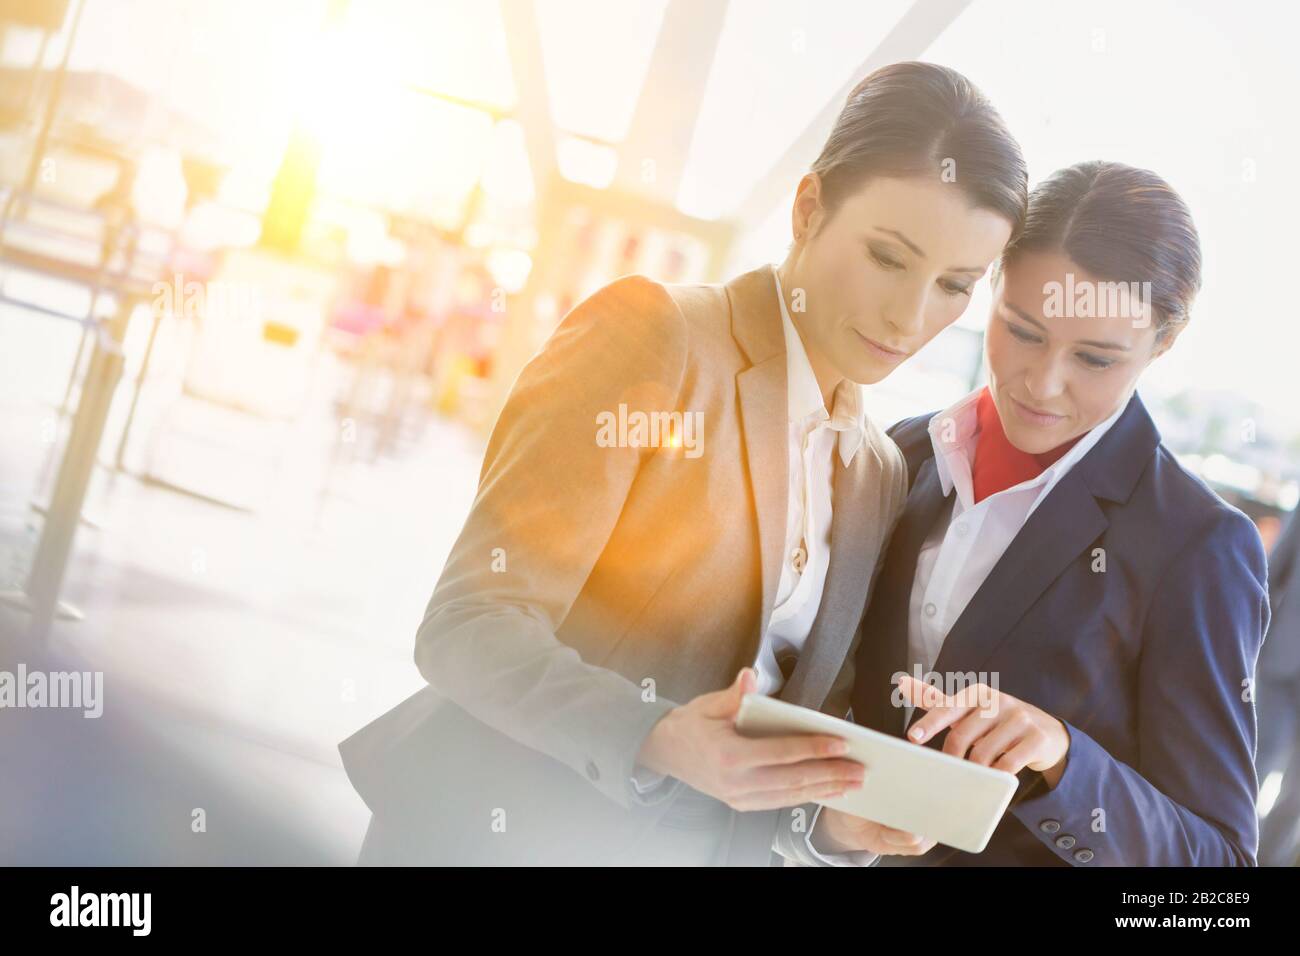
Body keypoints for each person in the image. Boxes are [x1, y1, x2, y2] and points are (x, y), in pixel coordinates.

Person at [338, 61, 1025, 865]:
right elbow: (469, 625)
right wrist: (656, 736)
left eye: (953, 285)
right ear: (808, 210)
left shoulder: (874, 472)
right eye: (887, 257)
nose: (911, 316)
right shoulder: (658, 340)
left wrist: (836, 826)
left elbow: (787, 737)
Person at [815, 161, 1270, 866]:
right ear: (992, 284)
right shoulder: (901, 454)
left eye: (1094, 359)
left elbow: (1220, 876)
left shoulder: (1197, 545)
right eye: (1023, 331)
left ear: (1163, 344)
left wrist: (1064, 761)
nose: (1042, 383)